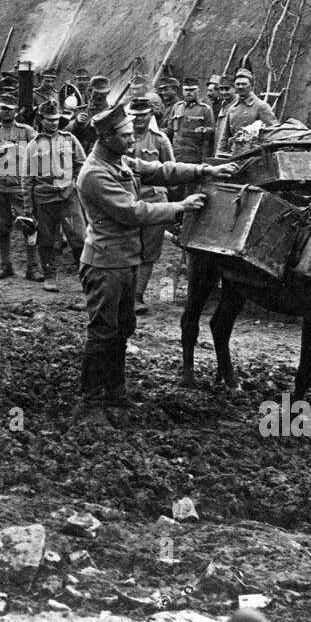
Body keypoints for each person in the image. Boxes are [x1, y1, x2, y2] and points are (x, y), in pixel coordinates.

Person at [75, 103, 238, 422]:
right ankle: (90, 404)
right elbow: (132, 211)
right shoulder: (95, 173)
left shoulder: (118, 159)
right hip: (105, 265)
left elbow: (161, 170)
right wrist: (181, 206)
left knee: (122, 330)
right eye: (125, 136)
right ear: (107, 137)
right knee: (102, 333)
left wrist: (206, 170)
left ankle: (116, 394)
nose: (132, 141)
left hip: (124, 261)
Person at [22, 99, 86, 293]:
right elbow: (27, 179)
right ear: (41, 120)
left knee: (79, 238)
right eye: (49, 120)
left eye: (56, 119)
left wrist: (74, 183)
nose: (53, 123)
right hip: (44, 199)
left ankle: (86, 278)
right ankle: (49, 276)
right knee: (46, 239)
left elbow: (82, 165)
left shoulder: (69, 139)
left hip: (68, 197)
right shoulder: (33, 146)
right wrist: (28, 207)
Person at [0, 94, 39, 281]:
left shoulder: (27, 132)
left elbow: (41, 151)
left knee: (28, 225)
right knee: (1, 227)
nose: (5, 112)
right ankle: (5, 265)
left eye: (9, 108)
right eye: (2, 108)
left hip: (19, 186)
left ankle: (33, 267)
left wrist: (19, 150)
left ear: (16, 111)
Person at [126, 96, 175, 312]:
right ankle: (124, 294)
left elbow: (170, 170)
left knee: (149, 250)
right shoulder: (123, 138)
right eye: (135, 116)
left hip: (154, 198)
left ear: (150, 115)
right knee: (127, 246)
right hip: (127, 200)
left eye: (143, 115)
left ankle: (137, 296)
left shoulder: (160, 139)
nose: (138, 120)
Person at [218, 68, 276, 154]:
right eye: (238, 84)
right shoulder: (232, 108)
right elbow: (224, 137)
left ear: (251, 86)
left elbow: (273, 133)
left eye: (244, 84)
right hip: (234, 154)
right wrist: (219, 154)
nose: (240, 87)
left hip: (254, 156)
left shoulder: (261, 106)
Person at [170, 78, 215, 184]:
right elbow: (170, 130)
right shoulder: (177, 107)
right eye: (186, 90)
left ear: (198, 91)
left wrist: (204, 160)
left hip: (194, 158)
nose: (188, 93)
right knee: (176, 189)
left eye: (192, 90)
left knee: (193, 188)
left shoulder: (205, 109)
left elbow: (210, 135)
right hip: (177, 156)